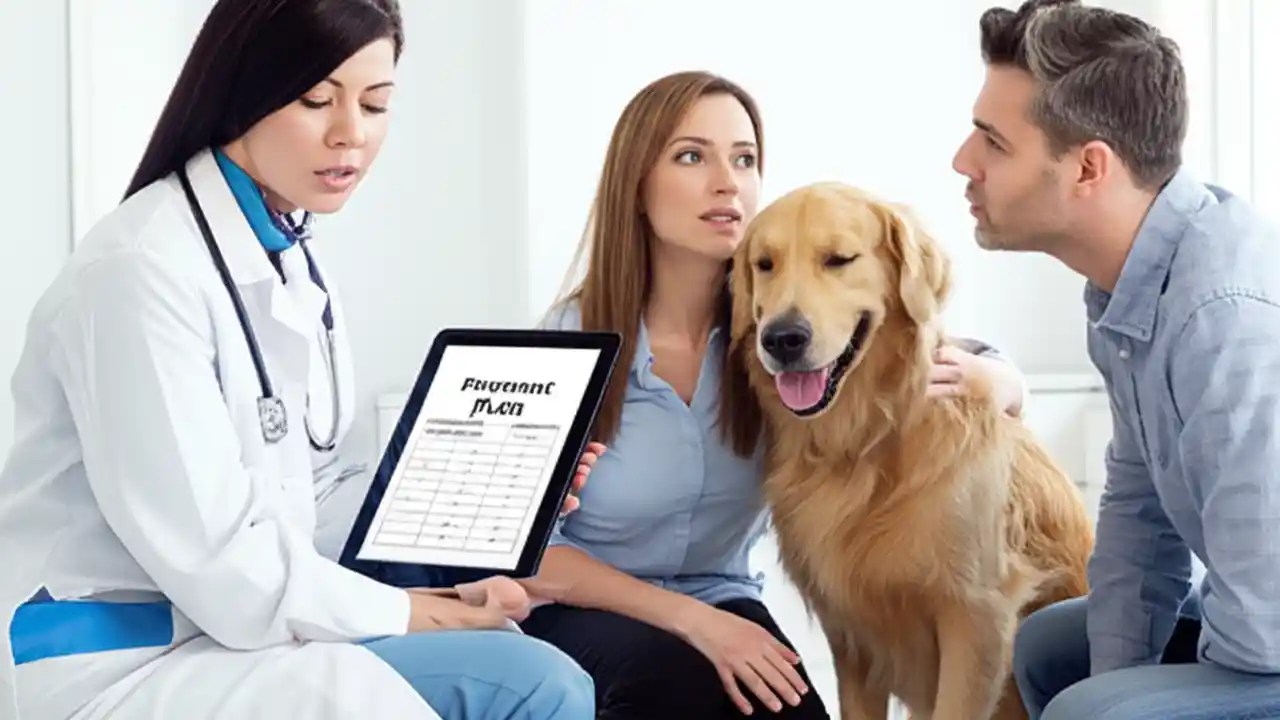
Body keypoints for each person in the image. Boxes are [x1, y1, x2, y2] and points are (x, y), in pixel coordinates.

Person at [0, 1, 598, 718]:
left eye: (376, 105)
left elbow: (305, 492)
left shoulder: (289, 259)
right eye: (317, 99)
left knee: (533, 668)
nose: (352, 135)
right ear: (244, 89)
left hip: (237, 631)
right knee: (533, 684)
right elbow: (218, 559)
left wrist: (474, 508)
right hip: (124, 661)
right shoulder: (137, 272)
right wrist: (418, 612)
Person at [509, 70, 1031, 719]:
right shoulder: (566, 343)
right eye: (692, 156)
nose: (727, 181)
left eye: (745, 159)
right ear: (636, 184)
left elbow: (917, 338)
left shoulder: (778, 345)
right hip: (577, 606)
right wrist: (694, 622)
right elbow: (523, 555)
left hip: (722, 599)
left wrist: (1005, 380)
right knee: (670, 683)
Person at [952, 1, 1280, 718]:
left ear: (1089, 168)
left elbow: (1266, 622)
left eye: (993, 143)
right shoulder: (1126, 294)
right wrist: (1114, 679)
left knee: (1089, 712)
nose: (962, 163)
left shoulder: (1225, 317)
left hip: (1272, 631)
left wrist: (1111, 704)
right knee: (1049, 651)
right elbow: (1140, 513)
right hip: (1259, 615)